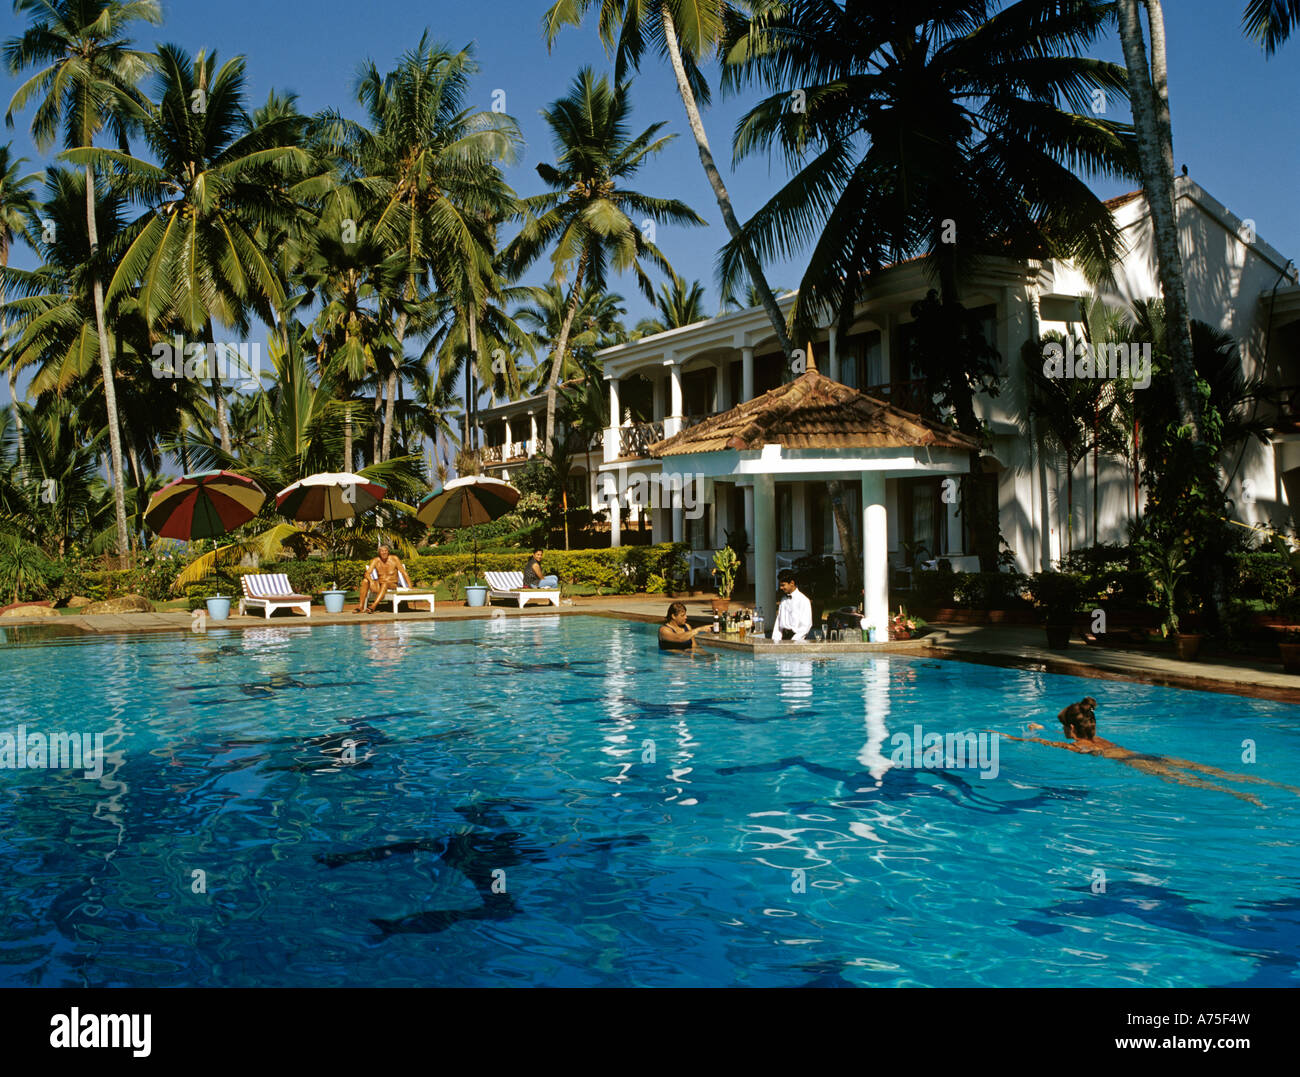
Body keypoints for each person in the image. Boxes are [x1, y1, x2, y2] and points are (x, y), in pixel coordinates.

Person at [997, 698, 1300, 808]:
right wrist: (1046, 727)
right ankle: (1284, 787)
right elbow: (1062, 734)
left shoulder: (1078, 747)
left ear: (1072, 732)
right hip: (1150, 754)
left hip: (1135, 764)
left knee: (1191, 782)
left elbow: (1041, 744)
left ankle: (1246, 798)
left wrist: (1007, 736)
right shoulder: (1098, 738)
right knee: (1216, 771)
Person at [355, 544, 407, 613]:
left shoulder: (394, 559)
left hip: (392, 585)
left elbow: (404, 573)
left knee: (385, 583)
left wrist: (410, 587)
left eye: (385, 551)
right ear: (379, 552)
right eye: (382, 551)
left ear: (388, 552)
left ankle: (373, 606)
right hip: (380, 585)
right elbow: (367, 573)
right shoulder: (376, 560)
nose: (384, 552)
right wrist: (371, 581)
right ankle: (361, 607)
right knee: (365, 581)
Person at [771, 569, 812, 642]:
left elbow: (806, 626)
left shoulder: (803, 601)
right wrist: (775, 639)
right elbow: (779, 621)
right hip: (782, 638)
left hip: (797, 639)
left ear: (792, 583)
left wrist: (793, 641)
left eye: (783, 585)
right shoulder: (783, 599)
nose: (780, 588)